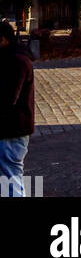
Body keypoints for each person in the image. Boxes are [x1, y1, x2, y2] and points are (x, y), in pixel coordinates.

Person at [0, 20, 34, 197]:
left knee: (10, 178)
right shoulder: (12, 57)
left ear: (3, 39)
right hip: (11, 128)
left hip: (11, 130)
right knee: (8, 178)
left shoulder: (16, 61)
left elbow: (8, 97)